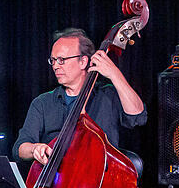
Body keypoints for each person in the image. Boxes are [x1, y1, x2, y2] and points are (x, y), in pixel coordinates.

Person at [14, 27, 146, 165]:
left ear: (83, 62)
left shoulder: (109, 95)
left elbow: (138, 117)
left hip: (99, 181)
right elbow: (20, 148)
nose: (55, 66)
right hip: (56, 183)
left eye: (61, 59)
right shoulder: (42, 103)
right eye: (53, 60)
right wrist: (35, 148)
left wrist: (114, 74)